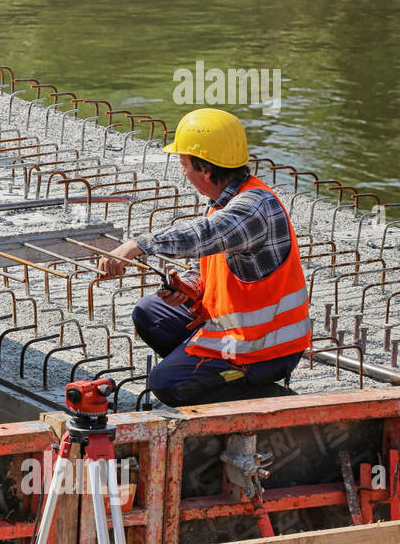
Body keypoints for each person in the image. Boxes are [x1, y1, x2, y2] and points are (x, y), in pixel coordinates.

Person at [97, 108, 312, 406]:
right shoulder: (224, 200)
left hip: (268, 347)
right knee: (150, 312)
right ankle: (213, 376)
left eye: (185, 165)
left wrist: (137, 245)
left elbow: (204, 235)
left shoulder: (254, 207)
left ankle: (267, 397)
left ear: (206, 171)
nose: (183, 172)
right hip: (238, 331)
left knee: (166, 383)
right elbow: (212, 268)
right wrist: (192, 289)